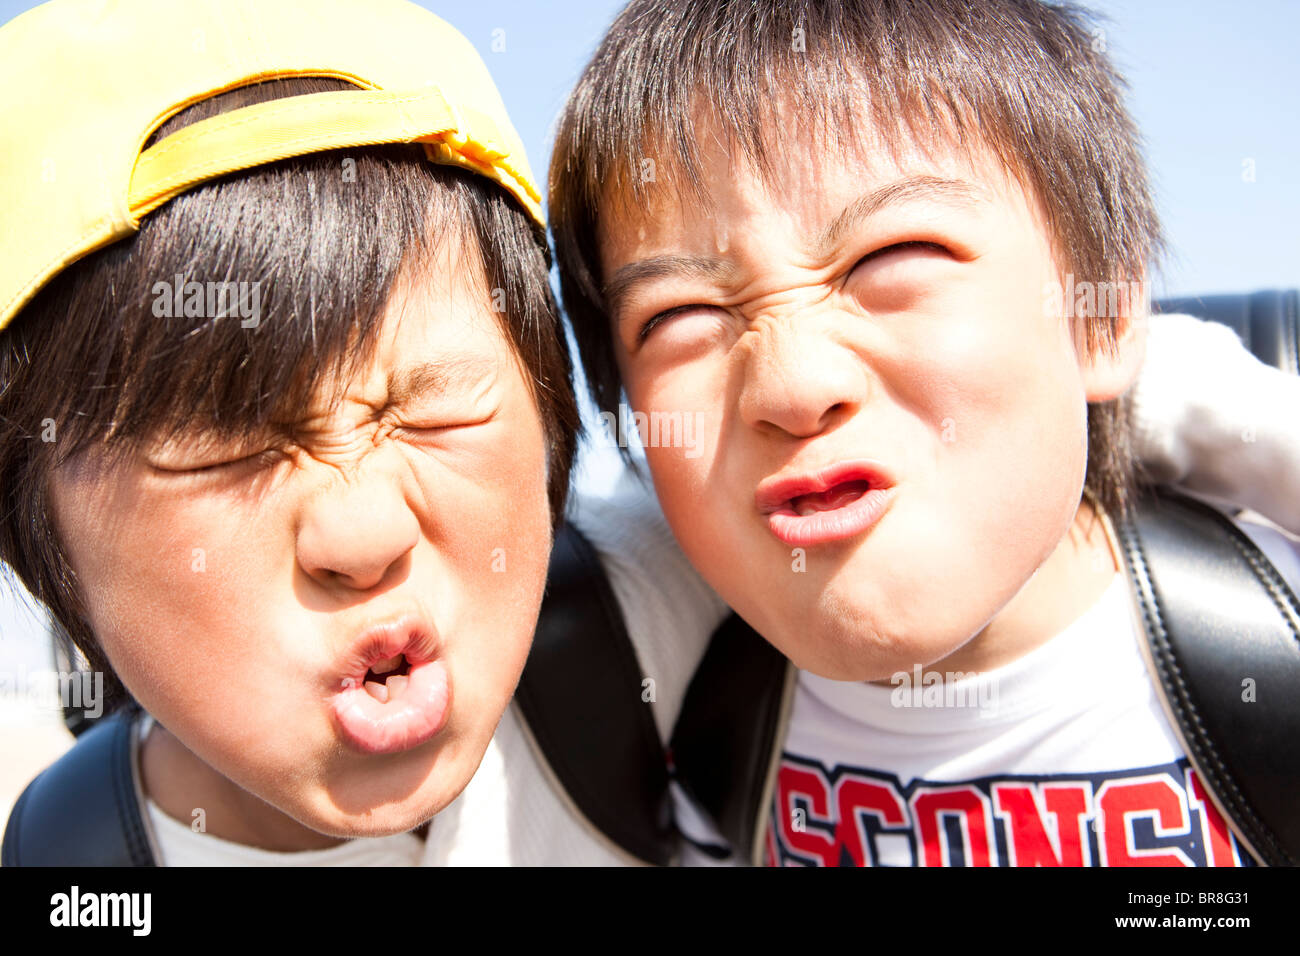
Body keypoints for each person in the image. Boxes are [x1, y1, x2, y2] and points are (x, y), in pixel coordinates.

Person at [548, 0, 1300, 865]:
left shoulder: (1272, 639)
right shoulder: (683, 730)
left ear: (1101, 318)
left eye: (891, 259)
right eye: (681, 314)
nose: (793, 386)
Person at [0, 0, 725, 866]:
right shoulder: (74, 860)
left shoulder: (665, 610)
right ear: (31, 530)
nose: (364, 533)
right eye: (224, 447)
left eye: (438, 407)